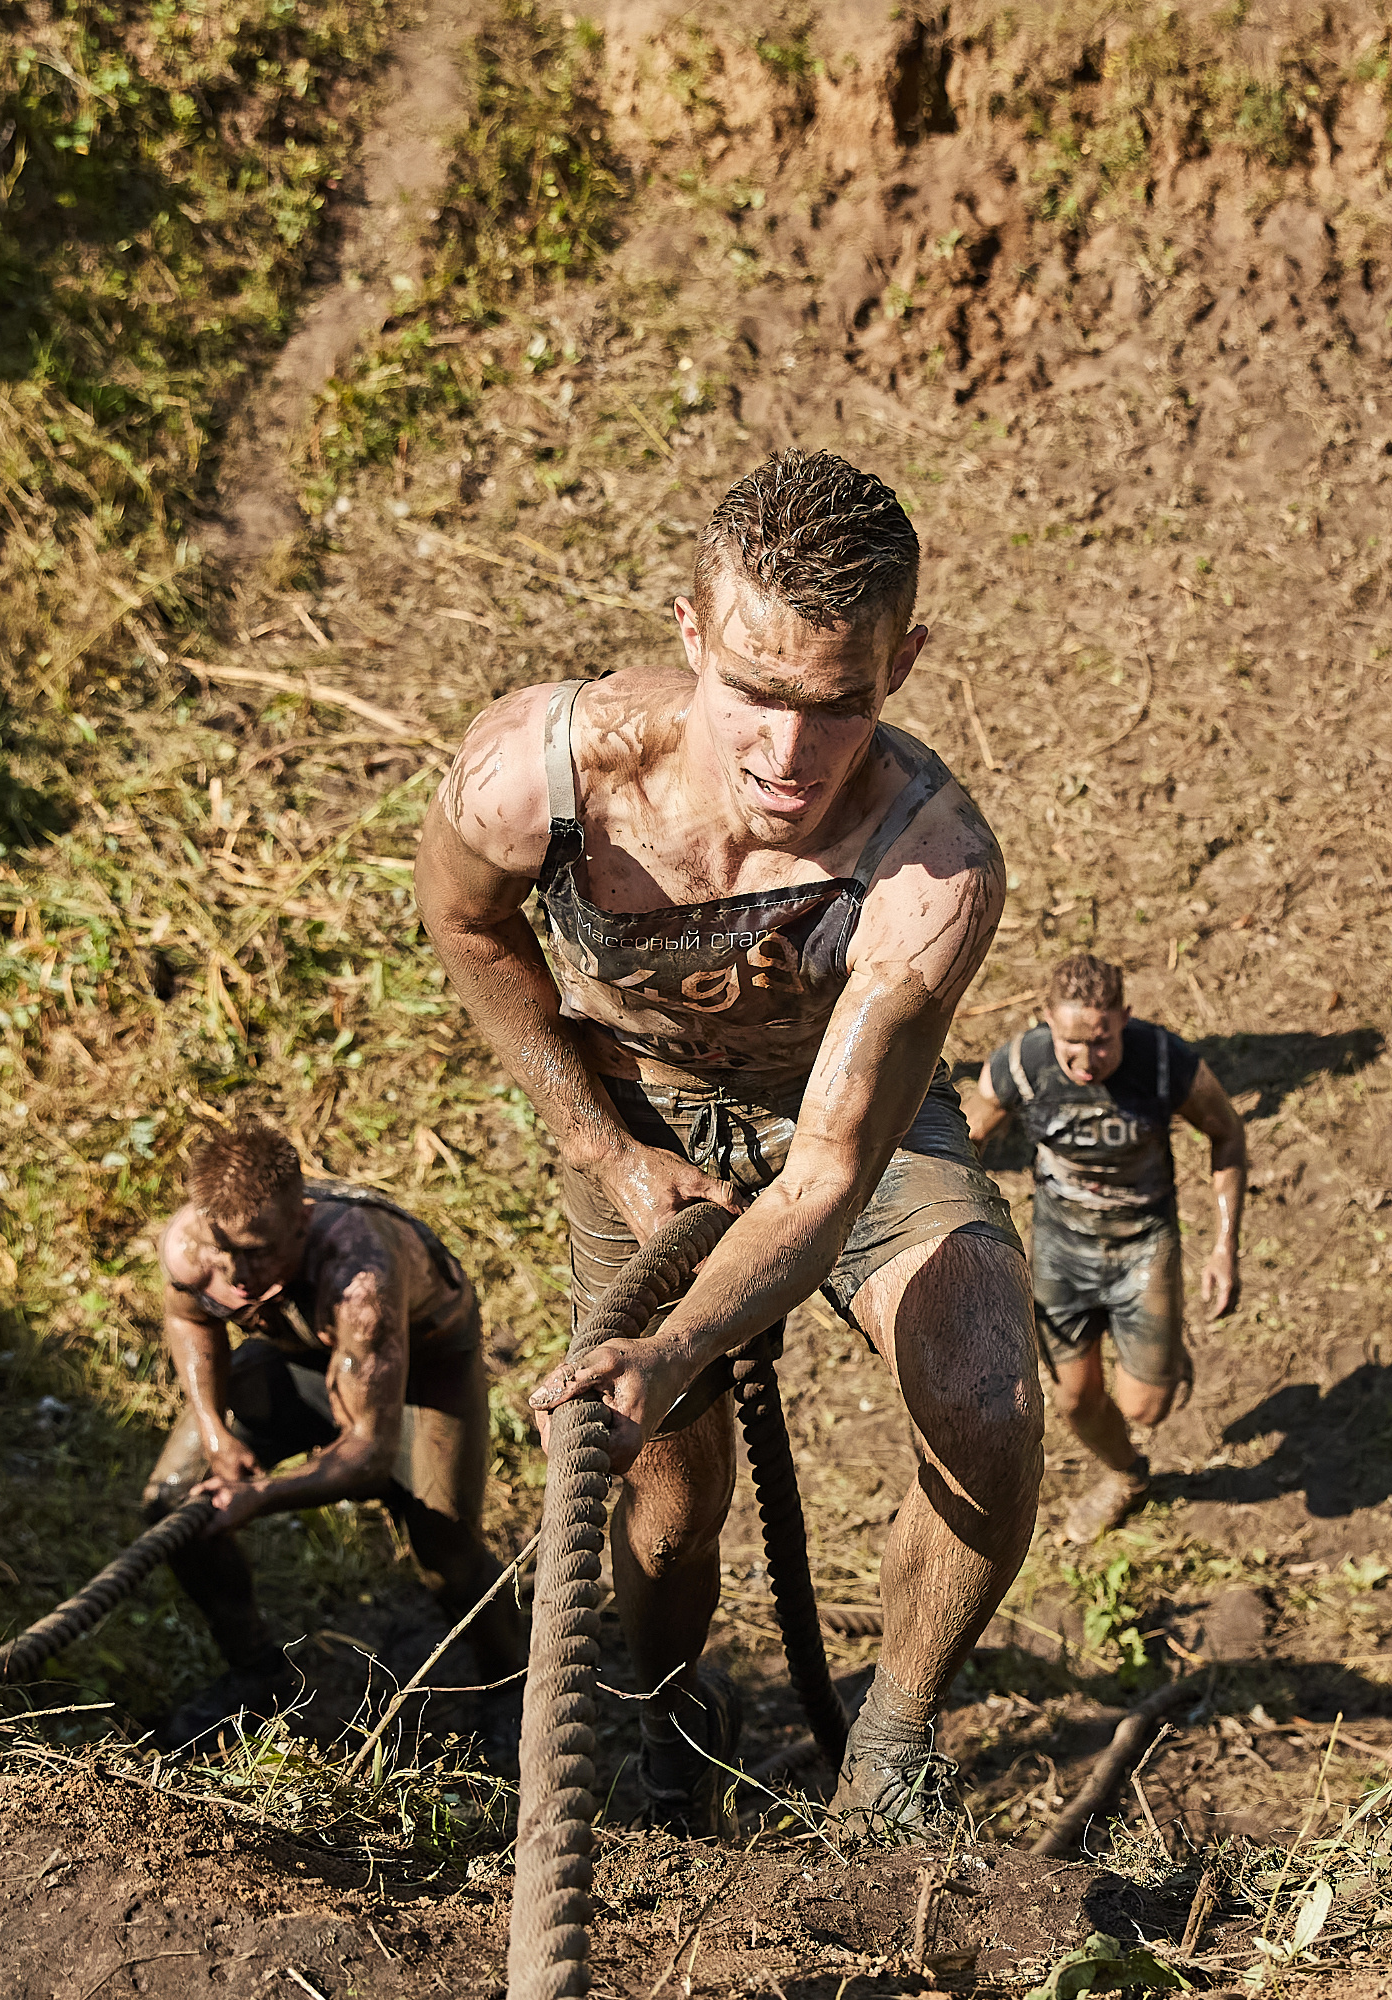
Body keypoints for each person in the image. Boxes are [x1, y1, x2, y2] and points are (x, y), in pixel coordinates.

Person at [414, 449, 1038, 1833]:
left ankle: (892, 1744)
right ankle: (667, 1714)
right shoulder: (540, 775)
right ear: (691, 633)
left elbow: (824, 1172)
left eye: (839, 705)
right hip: (637, 1104)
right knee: (667, 1499)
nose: (789, 755)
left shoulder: (931, 862)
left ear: (904, 663)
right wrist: (602, 1142)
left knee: (989, 1399)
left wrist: (688, 1330)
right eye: (755, 693)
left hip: (850, 1113)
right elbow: (465, 926)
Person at [143, 1118, 524, 1747]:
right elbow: (189, 1319)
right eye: (226, 1249)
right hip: (299, 1359)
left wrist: (263, 1497)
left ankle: (510, 1687)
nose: (239, 1274)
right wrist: (215, 1431)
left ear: (302, 1220)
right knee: (173, 1498)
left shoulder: (360, 1275)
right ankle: (257, 1674)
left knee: (444, 1542)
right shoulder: (191, 1244)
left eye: (260, 1251)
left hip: (422, 1368)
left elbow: (368, 1453)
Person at [962, 953, 1247, 1545]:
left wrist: (1225, 1247)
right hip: (1061, 1250)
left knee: (1145, 1408)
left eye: (1101, 1043)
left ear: (1125, 1020)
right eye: (1070, 1042)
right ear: (1047, 1021)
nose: (1084, 1061)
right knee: (1074, 1399)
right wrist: (967, 1239)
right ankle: (1128, 1477)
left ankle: (1158, 1350)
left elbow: (1227, 1133)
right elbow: (964, 1143)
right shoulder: (1021, 1064)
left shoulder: (1165, 1063)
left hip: (1144, 1243)